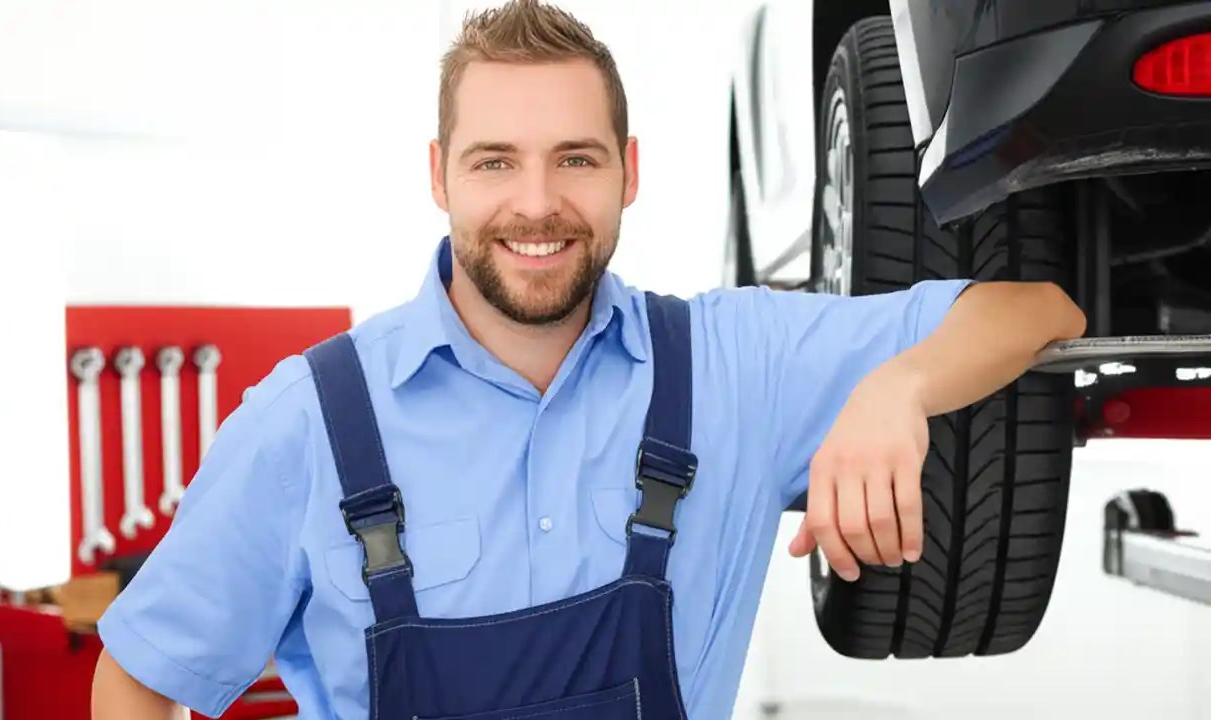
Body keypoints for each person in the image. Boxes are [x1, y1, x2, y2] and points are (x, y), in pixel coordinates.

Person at [90, 1, 1087, 718]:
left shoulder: (733, 365)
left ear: (628, 171)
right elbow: (138, 680)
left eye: (575, 158)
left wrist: (897, 386)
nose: (537, 205)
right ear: (438, 176)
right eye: (494, 162)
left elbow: (1039, 309)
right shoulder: (306, 424)